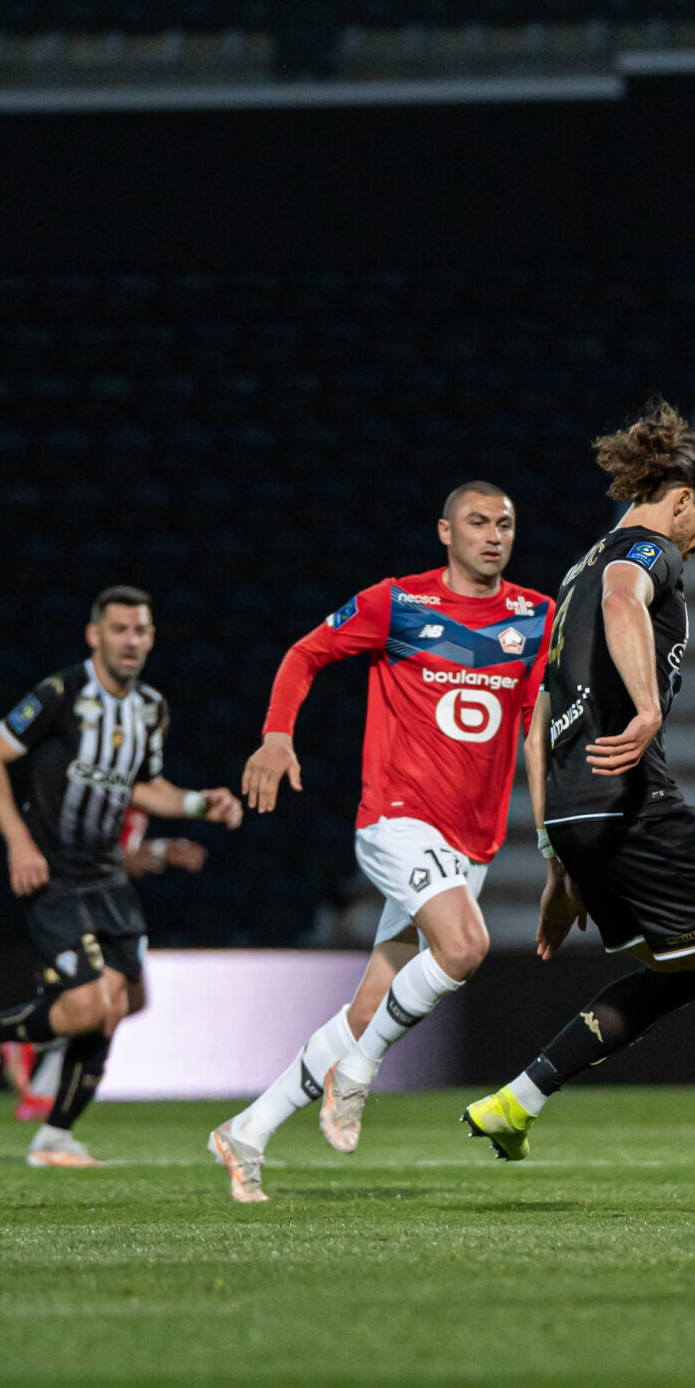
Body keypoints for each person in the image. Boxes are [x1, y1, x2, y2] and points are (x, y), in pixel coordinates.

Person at [461, 401, 695, 1217]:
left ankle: (518, 1099)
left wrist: (557, 854)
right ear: (678, 498)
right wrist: (649, 713)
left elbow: (537, 719)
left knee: (686, 968)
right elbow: (630, 602)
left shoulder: (574, 571)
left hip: (575, 811)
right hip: (633, 803)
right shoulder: (641, 550)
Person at [211, 483, 552, 1202]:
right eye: (477, 522)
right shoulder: (397, 604)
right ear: (444, 531)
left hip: (473, 842)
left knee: (372, 1003)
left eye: (506, 525)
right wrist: (277, 735)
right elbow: (305, 654)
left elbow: (533, 733)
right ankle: (360, 1072)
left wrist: (552, 845)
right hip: (396, 818)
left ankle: (248, 1130)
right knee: (464, 948)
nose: (493, 535)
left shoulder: (535, 616)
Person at [0, 586, 242, 1167]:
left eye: (140, 631)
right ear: (94, 635)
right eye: (119, 630)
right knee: (88, 1007)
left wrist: (196, 805)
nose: (130, 641)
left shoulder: (150, 708)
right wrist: (18, 840)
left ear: (152, 638)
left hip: (108, 875)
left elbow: (142, 785)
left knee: (126, 1001)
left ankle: (56, 1136)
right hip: (55, 874)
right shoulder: (60, 694)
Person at [2, 807, 210, 1120]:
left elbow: (123, 860)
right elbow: (101, 860)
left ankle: (37, 1055)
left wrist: (160, 850)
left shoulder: (133, 795)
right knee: (102, 1001)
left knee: (131, 1001)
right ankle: (32, 1050)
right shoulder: (108, 790)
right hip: (84, 906)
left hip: (108, 903)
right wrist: (161, 850)